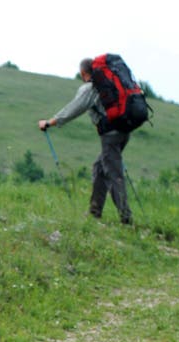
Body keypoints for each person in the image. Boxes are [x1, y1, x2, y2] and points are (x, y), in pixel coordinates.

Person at [38, 58, 133, 225]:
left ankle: (126, 219)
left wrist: (49, 122)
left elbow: (74, 109)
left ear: (83, 73)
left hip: (111, 135)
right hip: (124, 131)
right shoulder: (108, 83)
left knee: (113, 174)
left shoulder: (90, 88)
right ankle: (94, 213)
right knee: (100, 167)